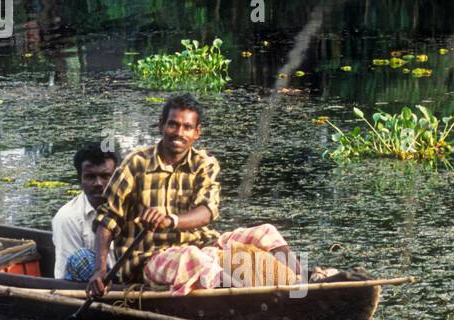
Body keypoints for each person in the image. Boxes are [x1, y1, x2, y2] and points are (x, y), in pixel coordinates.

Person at [87, 93, 300, 299]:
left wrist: (170, 220)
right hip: (148, 259)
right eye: (173, 124)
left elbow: (206, 212)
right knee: (191, 257)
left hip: (202, 246)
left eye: (187, 127)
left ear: (197, 132)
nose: (179, 132)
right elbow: (107, 219)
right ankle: (247, 298)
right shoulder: (135, 163)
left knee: (265, 232)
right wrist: (100, 270)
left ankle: (302, 283)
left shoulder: (204, 164)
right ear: (161, 125)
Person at [51, 143, 117, 281]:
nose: (98, 183)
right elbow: (68, 275)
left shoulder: (129, 207)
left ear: (117, 178)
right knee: (81, 258)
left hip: (127, 281)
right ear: (80, 180)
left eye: (105, 176)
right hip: (89, 288)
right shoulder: (67, 218)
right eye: (90, 177)